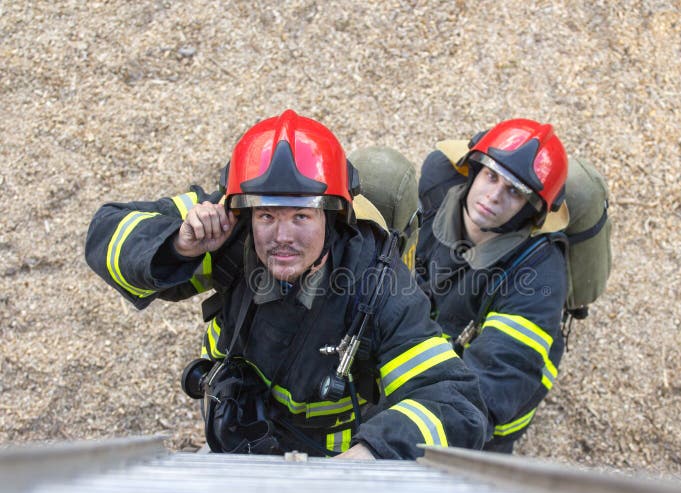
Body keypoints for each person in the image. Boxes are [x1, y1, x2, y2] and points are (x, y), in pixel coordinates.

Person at [85, 109, 487, 459]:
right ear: (246, 212)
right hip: (235, 433)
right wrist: (179, 244)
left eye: (301, 217)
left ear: (334, 216)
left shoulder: (377, 284)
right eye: (268, 216)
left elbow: (456, 404)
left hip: (328, 459)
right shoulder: (229, 233)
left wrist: (369, 454)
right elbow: (106, 231)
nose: (282, 237)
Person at [414, 119, 570, 453]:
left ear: (530, 211)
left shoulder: (541, 275)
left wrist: (394, 436)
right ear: (473, 169)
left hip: (486, 427)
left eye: (515, 192)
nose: (494, 196)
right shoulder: (437, 187)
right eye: (491, 175)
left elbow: (492, 385)